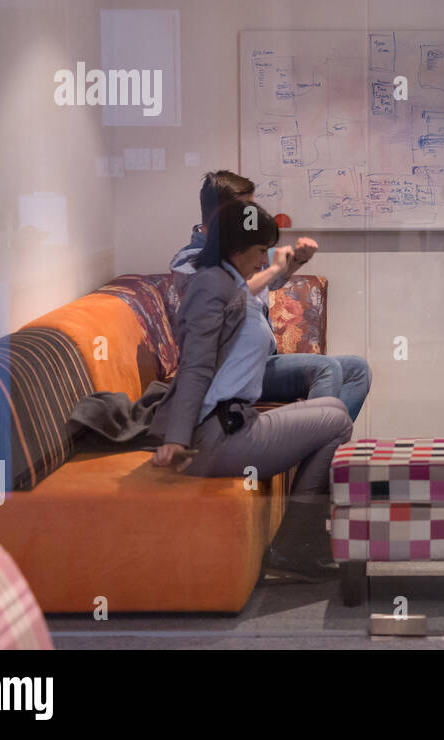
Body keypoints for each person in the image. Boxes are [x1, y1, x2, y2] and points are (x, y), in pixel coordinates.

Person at [150, 199, 353, 581]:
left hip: (232, 423)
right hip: (214, 438)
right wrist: (177, 440)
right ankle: (296, 545)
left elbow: (252, 289)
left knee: (333, 409)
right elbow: (195, 366)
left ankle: (298, 534)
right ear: (236, 249)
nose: (265, 259)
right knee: (336, 423)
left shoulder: (226, 280)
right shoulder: (210, 286)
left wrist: (287, 266)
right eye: (261, 250)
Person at [171, 171, 371, 422]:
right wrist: (274, 269)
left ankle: (323, 449)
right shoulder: (189, 260)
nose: (252, 217)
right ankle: (311, 447)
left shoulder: (240, 247)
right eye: (246, 210)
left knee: (357, 369)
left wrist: (296, 260)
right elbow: (222, 298)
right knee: (326, 369)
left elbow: (270, 279)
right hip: (229, 367)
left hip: (265, 361)